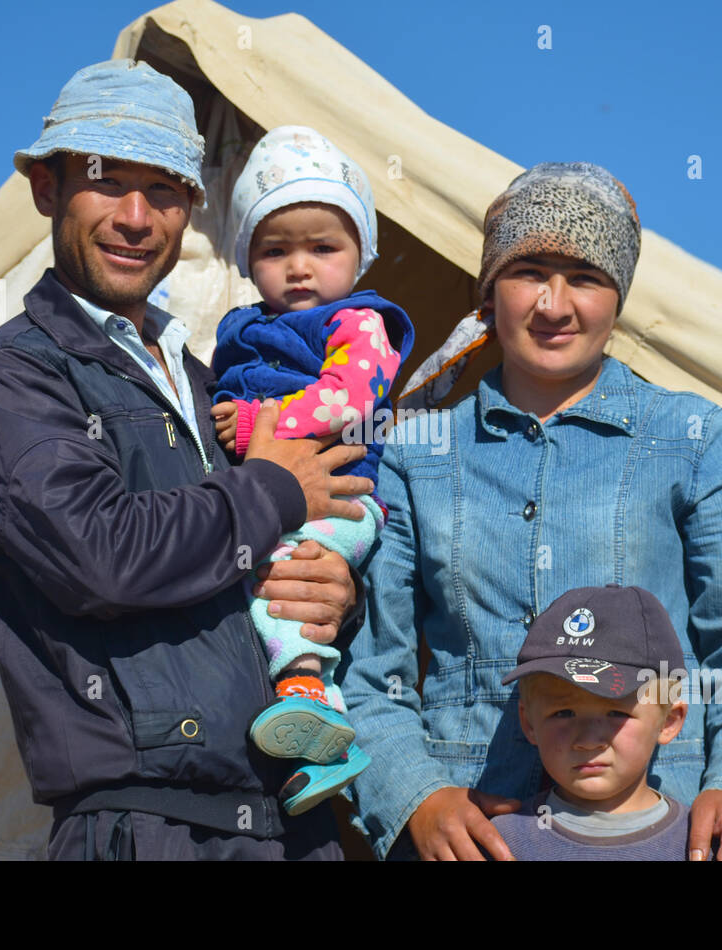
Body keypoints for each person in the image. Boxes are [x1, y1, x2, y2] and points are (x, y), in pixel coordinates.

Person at [0, 60, 373, 860]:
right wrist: (275, 489)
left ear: (193, 211)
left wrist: (328, 587)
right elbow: (99, 556)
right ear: (47, 187)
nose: (137, 217)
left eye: (167, 190)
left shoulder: (215, 382)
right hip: (145, 828)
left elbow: (270, 541)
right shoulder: (14, 377)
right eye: (107, 182)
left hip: (291, 821)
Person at [340, 161, 722, 862]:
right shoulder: (415, 453)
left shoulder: (696, 441)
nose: (554, 305)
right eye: (529, 271)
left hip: (664, 833)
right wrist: (415, 796)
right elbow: (370, 666)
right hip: (470, 836)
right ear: (490, 291)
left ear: (617, 298)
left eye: (585, 278)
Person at [207, 127, 414, 816]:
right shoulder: (236, 330)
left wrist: (258, 425)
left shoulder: (361, 322)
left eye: (323, 248)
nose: (300, 267)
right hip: (273, 497)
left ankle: (306, 696)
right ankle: (321, 749)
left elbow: (348, 400)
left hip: (340, 499)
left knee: (290, 589)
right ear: (246, 260)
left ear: (360, 255)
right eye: (275, 250)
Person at [490, 584, 689, 860]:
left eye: (616, 713)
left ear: (669, 721)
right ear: (529, 722)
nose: (587, 740)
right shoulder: (500, 843)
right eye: (563, 713)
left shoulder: (702, 845)